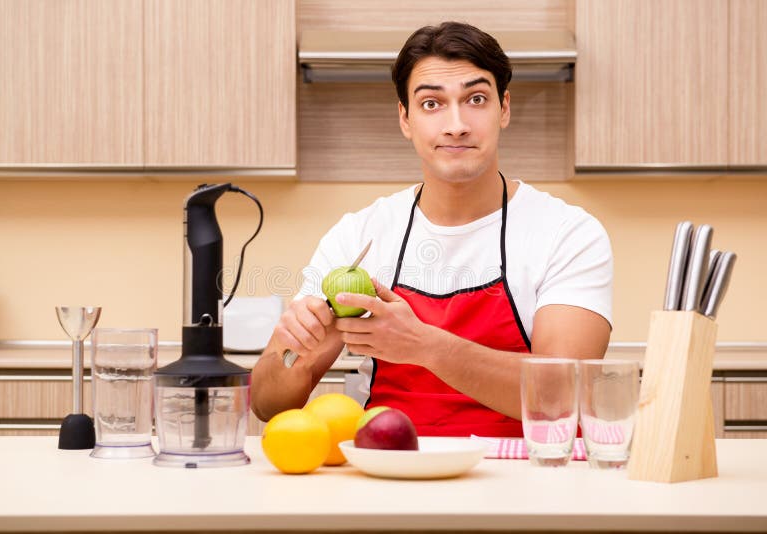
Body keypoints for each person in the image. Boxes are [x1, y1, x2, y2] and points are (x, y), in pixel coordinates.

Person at [252, 21, 612, 437]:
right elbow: (266, 404)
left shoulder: (568, 234)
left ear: (504, 108)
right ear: (405, 119)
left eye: (476, 99)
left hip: (529, 484)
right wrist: (287, 348)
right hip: (394, 476)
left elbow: (561, 394)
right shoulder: (360, 236)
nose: (456, 124)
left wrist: (423, 345)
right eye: (431, 104)